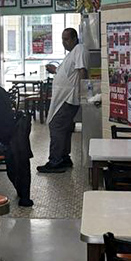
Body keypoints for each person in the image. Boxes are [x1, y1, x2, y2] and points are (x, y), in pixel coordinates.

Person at [37, 28, 87, 173]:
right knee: (63, 127)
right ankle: (64, 158)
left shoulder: (79, 49)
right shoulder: (72, 53)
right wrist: (55, 71)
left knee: (56, 125)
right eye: (62, 39)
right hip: (63, 97)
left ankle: (55, 161)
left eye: (66, 39)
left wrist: (83, 93)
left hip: (69, 97)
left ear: (74, 38)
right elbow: (69, 73)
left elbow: (82, 71)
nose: (64, 43)